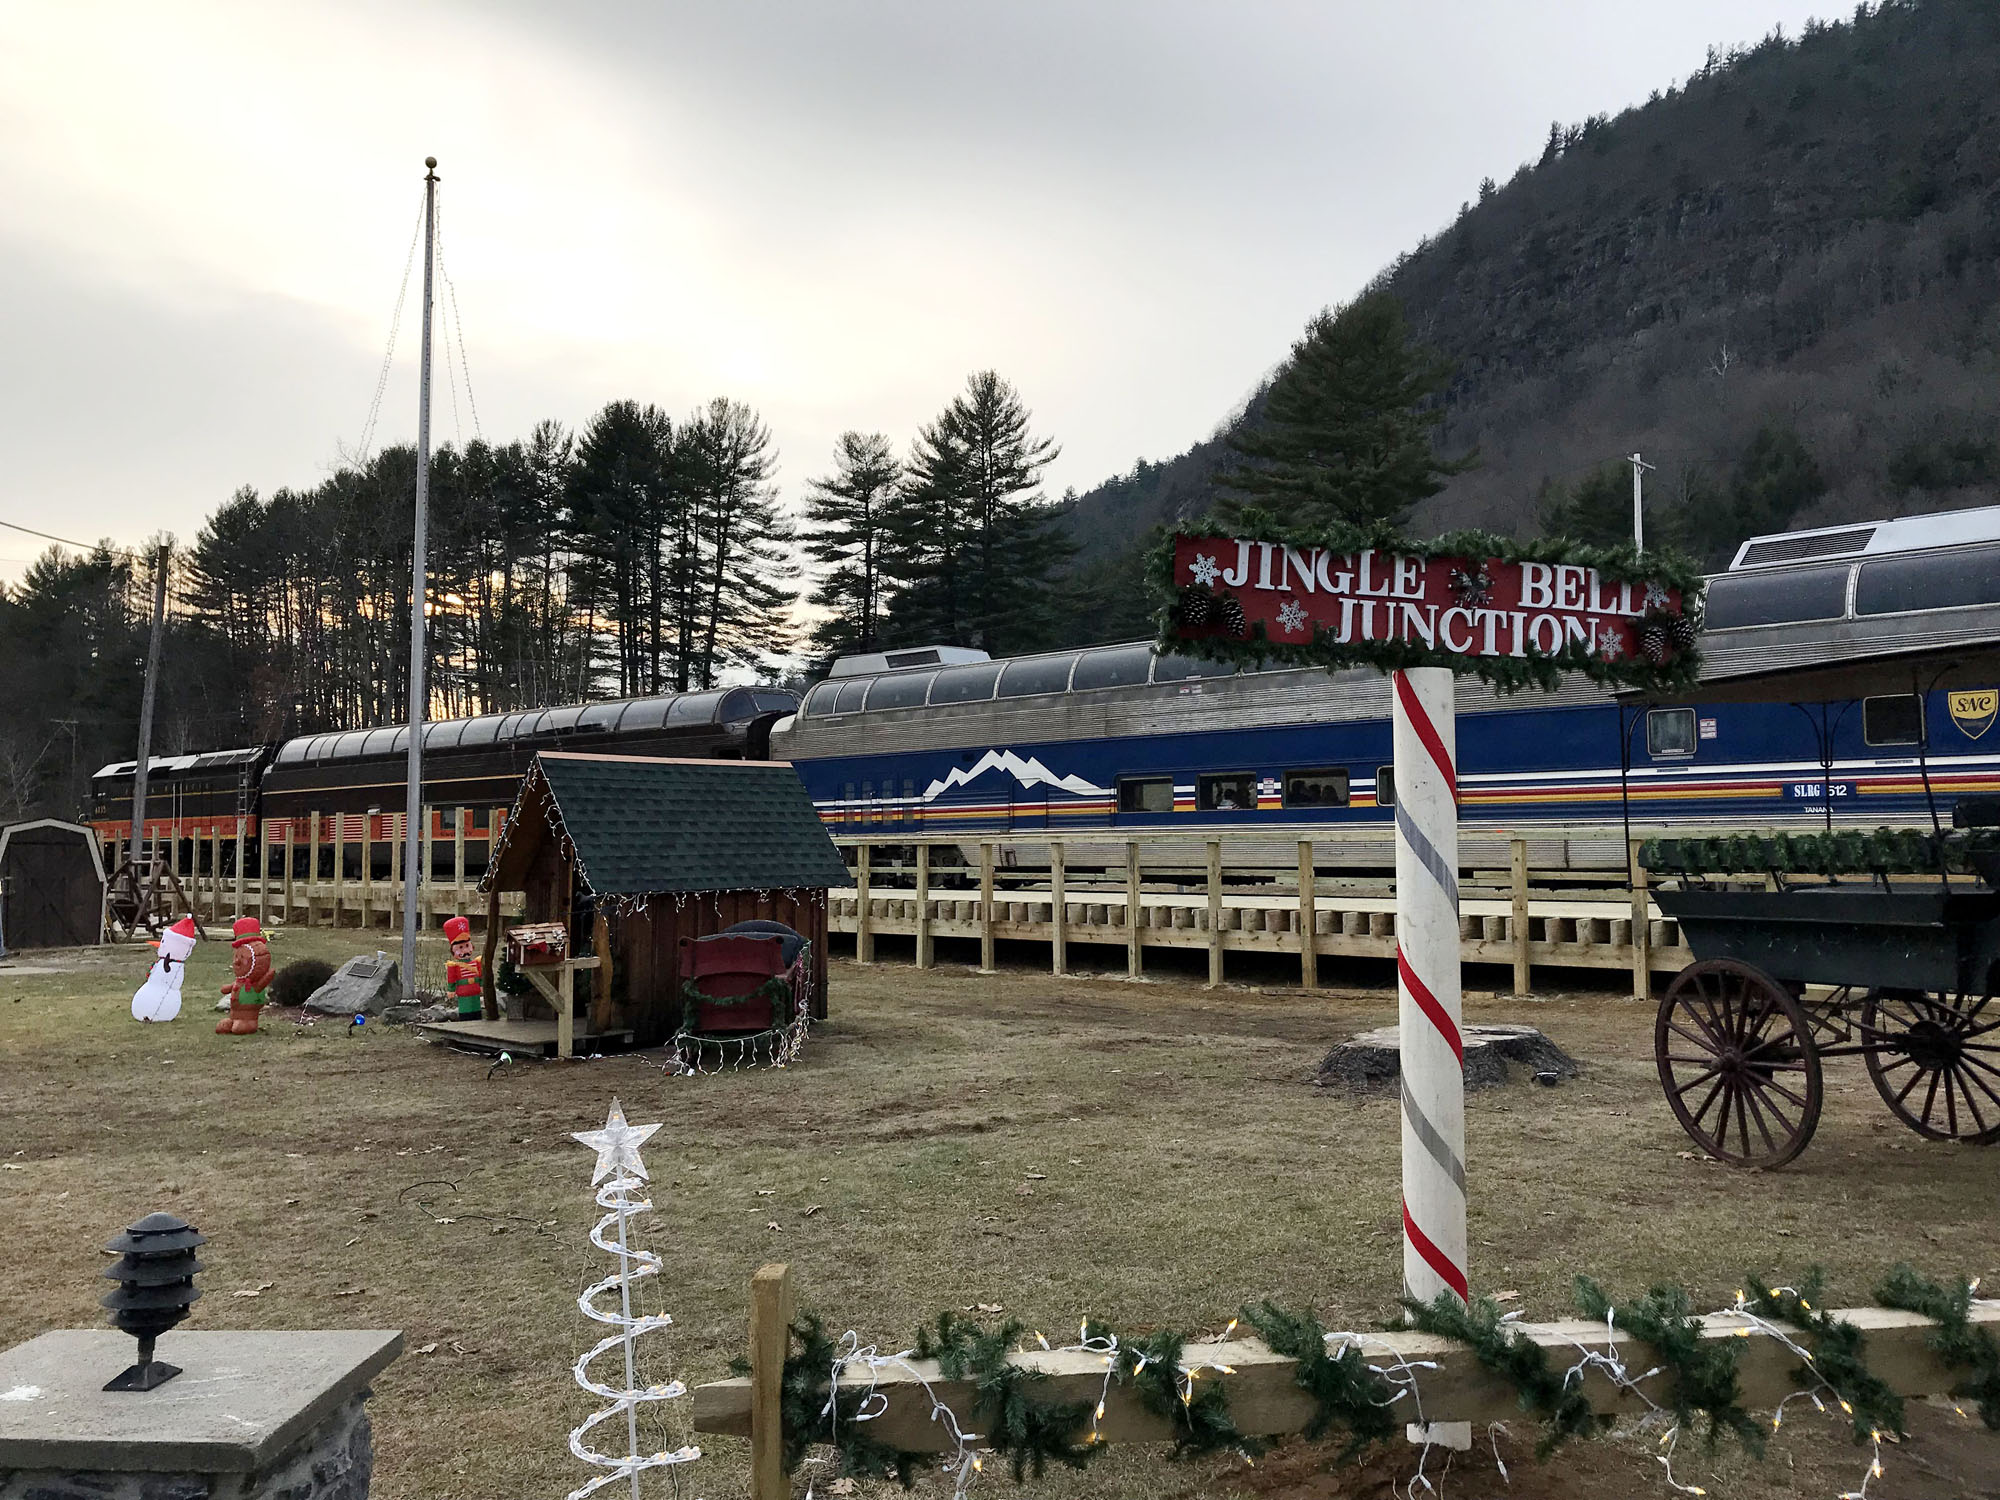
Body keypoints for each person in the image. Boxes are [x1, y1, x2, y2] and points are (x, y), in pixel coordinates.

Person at [218, 916, 273, 1035]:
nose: (236, 962)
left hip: (248, 1016)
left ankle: (248, 1023)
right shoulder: (240, 980)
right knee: (227, 1025)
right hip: (235, 1012)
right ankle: (232, 1020)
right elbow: (232, 987)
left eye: (242, 958)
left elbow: (260, 986)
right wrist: (228, 988)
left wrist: (267, 977)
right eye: (236, 957)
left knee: (239, 1028)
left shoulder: (253, 983)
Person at [444, 915, 484, 1019]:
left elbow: (480, 974)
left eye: (467, 946)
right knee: (466, 1010)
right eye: (460, 947)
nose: (465, 951)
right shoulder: (454, 966)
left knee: (476, 1009)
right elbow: (451, 979)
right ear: (453, 951)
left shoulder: (477, 962)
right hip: (463, 991)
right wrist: (451, 990)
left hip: (474, 990)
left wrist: (482, 984)